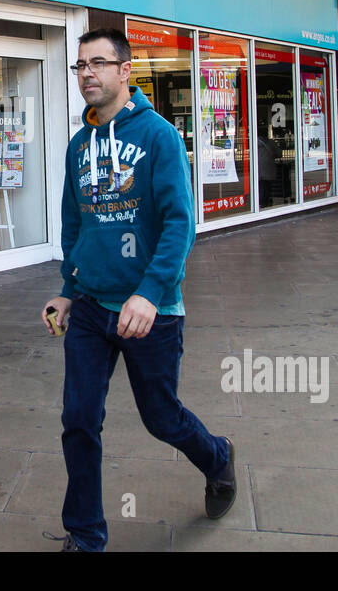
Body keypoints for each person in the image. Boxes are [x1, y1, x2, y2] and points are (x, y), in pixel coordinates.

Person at [41, 28, 233, 553]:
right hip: (89, 310)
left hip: (152, 310)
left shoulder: (159, 137)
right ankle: (85, 536)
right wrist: (66, 288)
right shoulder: (78, 146)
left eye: (98, 64)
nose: (87, 74)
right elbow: (74, 226)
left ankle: (217, 457)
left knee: (161, 418)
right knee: (78, 420)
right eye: (80, 66)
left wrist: (149, 293)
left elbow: (179, 224)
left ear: (126, 71)